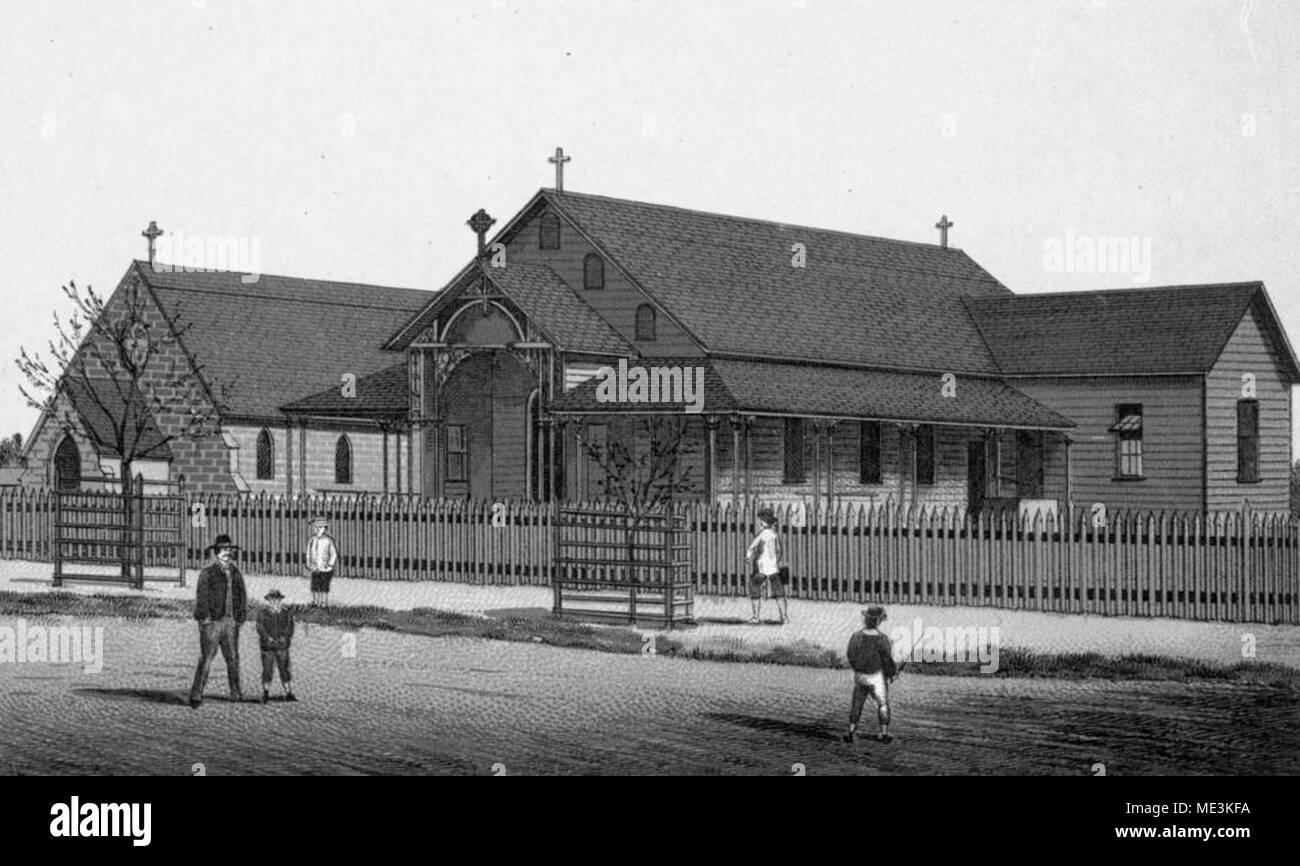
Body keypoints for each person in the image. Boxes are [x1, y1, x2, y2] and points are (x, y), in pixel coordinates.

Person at [189, 534, 247, 709]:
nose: (226, 553)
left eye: (228, 550)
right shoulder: (207, 573)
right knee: (206, 658)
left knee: (233, 658)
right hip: (212, 623)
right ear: (216, 553)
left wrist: (240, 617)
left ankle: (235, 693)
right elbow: (202, 597)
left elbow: (242, 596)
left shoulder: (236, 573)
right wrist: (205, 618)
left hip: (230, 623)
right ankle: (196, 693)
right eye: (223, 550)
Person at [844, 606, 898, 743]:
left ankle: (850, 732)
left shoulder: (856, 637)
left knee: (856, 704)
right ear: (879, 621)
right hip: (876, 677)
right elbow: (887, 660)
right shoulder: (883, 639)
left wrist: (858, 668)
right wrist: (892, 674)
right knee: (882, 704)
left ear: (866, 619)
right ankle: (884, 734)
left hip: (860, 676)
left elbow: (850, 655)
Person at [744, 507, 788, 624]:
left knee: (754, 586)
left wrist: (748, 556)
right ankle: (784, 617)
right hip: (773, 567)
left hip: (761, 567)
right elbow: (779, 550)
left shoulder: (762, 534)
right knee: (779, 591)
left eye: (761, 521)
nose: (759, 523)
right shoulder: (774, 535)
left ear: (764, 523)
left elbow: (752, 546)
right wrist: (775, 561)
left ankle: (755, 616)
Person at [256, 588, 296, 703]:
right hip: (267, 646)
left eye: (276, 600)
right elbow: (260, 628)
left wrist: (284, 637)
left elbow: (290, 627)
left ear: (280, 600)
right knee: (267, 669)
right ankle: (265, 692)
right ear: (268, 601)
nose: (274, 602)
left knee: (284, 669)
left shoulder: (286, 613)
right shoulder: (263, 613)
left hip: (282, 645)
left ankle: (288, 692)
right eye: (272, 600)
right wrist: (267, 637)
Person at [305, 517, 338, 608]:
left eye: (320, 527)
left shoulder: (328, 540)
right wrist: (308, 563)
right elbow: (308, 552)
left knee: (324, 586)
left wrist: (330, 564)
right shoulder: (312, 540)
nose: (318, 529)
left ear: (325, 529)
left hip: (325, 568)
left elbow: (333, 553)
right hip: (315, 567)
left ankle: (323, 603)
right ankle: (316, 602)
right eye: (316, 527)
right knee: (315, 586)